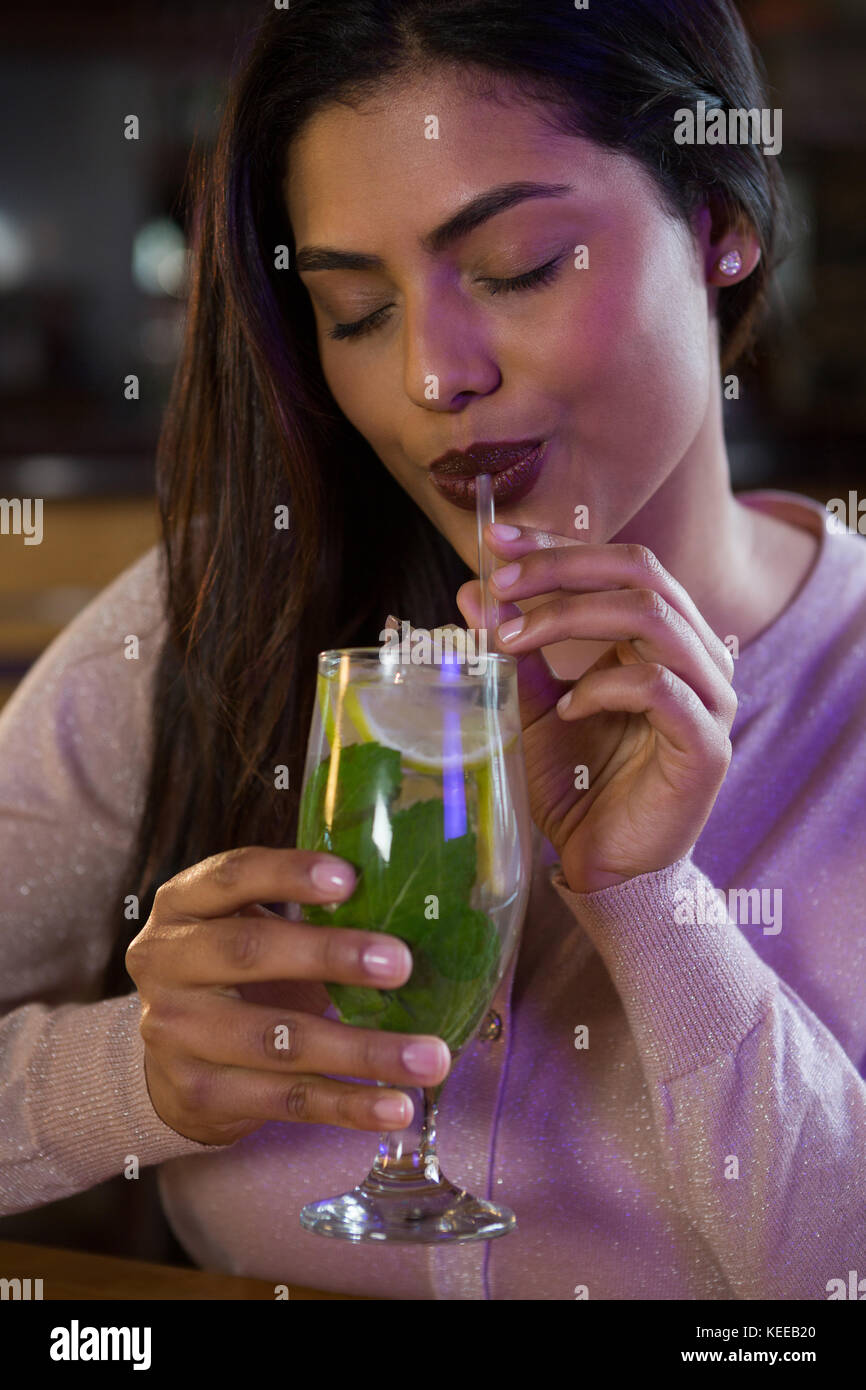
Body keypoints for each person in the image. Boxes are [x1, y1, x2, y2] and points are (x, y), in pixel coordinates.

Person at [1, 0, 864, 1301]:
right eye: (354, 311)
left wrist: (651, 904)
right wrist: (130, 1074)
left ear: (720, 226)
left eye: (516, 266)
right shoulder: (219, 612)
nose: (427, 376)